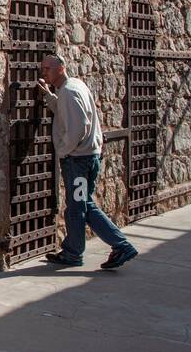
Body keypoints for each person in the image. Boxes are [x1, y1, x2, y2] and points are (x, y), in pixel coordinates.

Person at [35, 54, 139, 270]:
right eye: (43, 68)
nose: (43, 72)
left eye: (47, 68)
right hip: (87, 157)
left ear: (60, 69)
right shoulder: (73, 88)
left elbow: (79, 125)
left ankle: (120, 245)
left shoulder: (69, 92)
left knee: (80, 206)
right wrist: (49, 97)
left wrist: (63, 150)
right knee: (79, 205)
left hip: (77, 160)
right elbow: (69, 115)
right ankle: (73, 252)